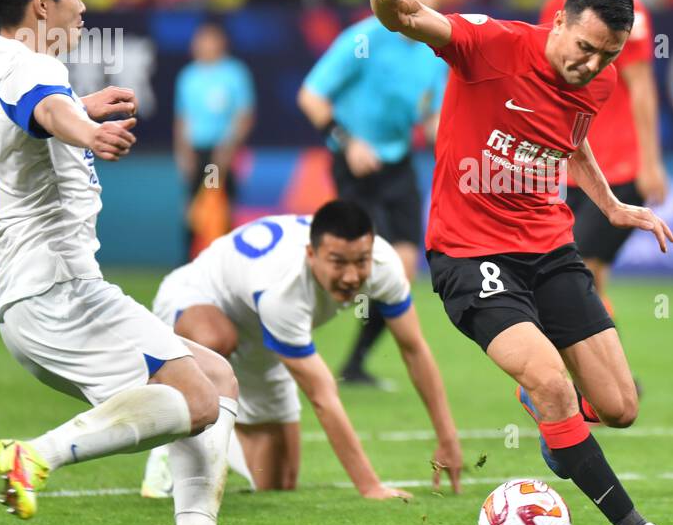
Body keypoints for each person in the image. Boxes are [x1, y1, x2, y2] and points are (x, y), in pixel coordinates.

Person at [369, 0, 673, 525]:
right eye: (584, 48)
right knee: (551, 382)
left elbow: (570, 139)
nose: (591, 65)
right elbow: (412, 21)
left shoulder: (597, 83)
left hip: (550, 249)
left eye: (606, 56)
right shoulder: (491, 44)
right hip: (472, 257)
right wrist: (385, 0)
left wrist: (610, 205)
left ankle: (559, 433)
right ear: (559, 21)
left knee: (619, 407)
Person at [0, 0, 278, 525]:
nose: (84, 5)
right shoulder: (28, 68)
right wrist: (88, 132)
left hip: (42, 294)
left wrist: (83, 114)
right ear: (42, 2)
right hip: (57, 294)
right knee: (196, 397)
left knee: (216, 378)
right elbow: (46, 108)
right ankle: (36, 455)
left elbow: (48, 110)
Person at [139, 200, 463, 497]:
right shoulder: (284, 290)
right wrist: (370, 486)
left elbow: (413, 349)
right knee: (216, 340)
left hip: (262, 327)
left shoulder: (383, 263)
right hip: (199, 299)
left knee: (277, 482)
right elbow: (323, 396)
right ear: (312, 255)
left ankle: (221, 440)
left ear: (371, 251)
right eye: (337, 263)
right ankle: (169, 448)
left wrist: (447, 437)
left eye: (360, 262)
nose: (351, 277)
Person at [298, 0, 448, 388]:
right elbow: (310, 95)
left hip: (397, 162)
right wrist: (348, 141)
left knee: (401, 269)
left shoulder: (435, 47)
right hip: (353, 161)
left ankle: (354, 364)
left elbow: (433, 117)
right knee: (355, 262)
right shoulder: (363, 37)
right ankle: (289, 337)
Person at [539, 0, 667, 313]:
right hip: (575, 168)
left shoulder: (621, 9)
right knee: (587, 278)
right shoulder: (553, 10)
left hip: (621, 168)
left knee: (578, 274)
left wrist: (651, 163)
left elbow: (643, 88)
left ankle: (600, 376)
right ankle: (610, 377)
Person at [174, 22, 255, 260]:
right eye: (200, 40)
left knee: (222, 208)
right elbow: (182, 119)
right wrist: (183, 153)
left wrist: (228, 148)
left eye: (209, 40)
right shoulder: (188, 76)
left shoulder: (234, 73)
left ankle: (226, 264)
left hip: (221, 152)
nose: (204, 45)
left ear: (221, 43)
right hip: (197, 152)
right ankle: (187, 265)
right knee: (193, 210)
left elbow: (244, 115)